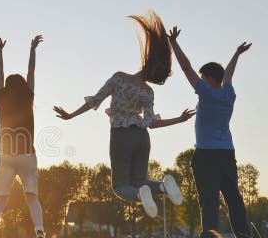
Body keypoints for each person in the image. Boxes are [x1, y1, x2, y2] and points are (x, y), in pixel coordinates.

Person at [53, 11, 193, 220]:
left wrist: (71, 115)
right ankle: (163, 187)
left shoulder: (119, 78)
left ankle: (139, 194)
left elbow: (95, 101)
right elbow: (151, 123)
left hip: (121, 135)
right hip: (142, 138)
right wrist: (179, 120)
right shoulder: (147, 92)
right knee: (141, 180)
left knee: (121, 186)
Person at [168, 26, 254, 238]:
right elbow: (229, 75)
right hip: (227, 154)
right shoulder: (228, 94)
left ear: (208, 78)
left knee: (208, 200)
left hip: (206, 155)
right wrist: (237, 53)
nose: (200, 79)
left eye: (203, 76)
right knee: (233, 199)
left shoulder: (206, 93)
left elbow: (185, 68)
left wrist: (173, 43)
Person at [0, 35, 50, 238]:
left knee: (0, 200)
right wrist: (32, 49)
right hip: (27, 154)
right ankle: (40, 233)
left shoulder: (1, 97)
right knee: (32, 198)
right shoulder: (28, 95)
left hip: (6, 154)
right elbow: (32, 72)